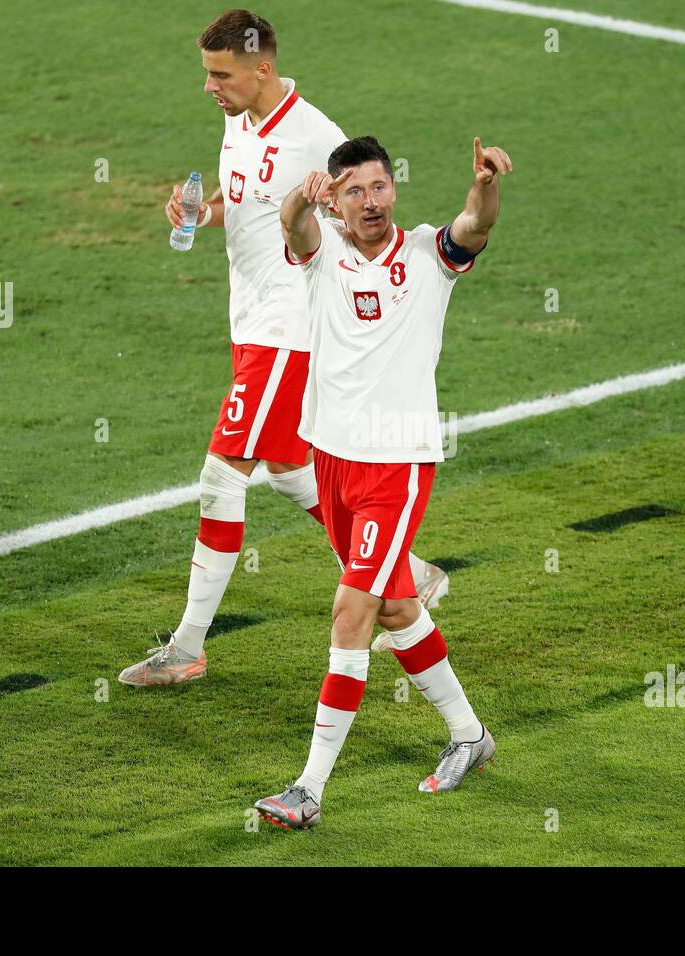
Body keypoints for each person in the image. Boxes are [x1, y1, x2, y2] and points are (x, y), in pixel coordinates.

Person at [120, 10, 447, 687]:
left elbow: (351, 233)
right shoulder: (238, 122)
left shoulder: (316, 139)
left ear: (262, 68)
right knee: (289, 465)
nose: (211, 87)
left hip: (288, 329)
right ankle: (410, 574)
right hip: (249, 323)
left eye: (221, 75)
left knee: (222, 477)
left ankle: (187, 646)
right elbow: (241, 203)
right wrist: (199, 213)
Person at [252, 135, 512, 829]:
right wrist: (296, 199)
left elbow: (476, 224)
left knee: (351, 609)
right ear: (335, 199)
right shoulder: (323, 251)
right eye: (355, 191)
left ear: (394, 188)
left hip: (396, 466)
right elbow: (292, 226)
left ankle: (307, 790)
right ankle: (469, 736)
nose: (372, 201)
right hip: (331, 462)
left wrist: (485, 183)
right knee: (396, 608)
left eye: (380, 187)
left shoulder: (429, 254)